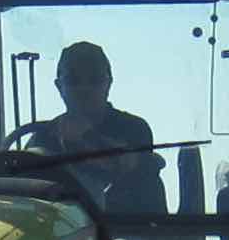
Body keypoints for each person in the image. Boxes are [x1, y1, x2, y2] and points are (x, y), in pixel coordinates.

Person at [33, 41, 164, 212]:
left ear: (108, 83)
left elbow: (125, 166)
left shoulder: (134, 129)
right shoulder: (44, 137)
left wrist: (85, 137)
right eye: (73, 80)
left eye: (94, 79)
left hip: (125, 229)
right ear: (59, 87)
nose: (84, 88)